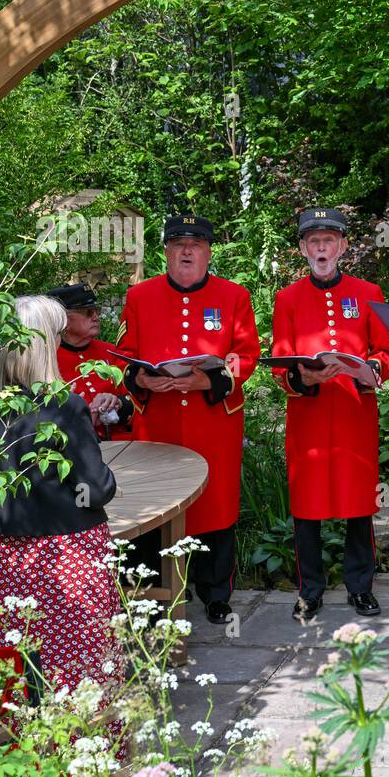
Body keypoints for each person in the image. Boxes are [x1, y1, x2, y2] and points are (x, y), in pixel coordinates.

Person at [0, 296, 121, 720]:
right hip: (68, 557)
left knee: (11, 663)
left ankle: (13, 766)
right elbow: (95, 487)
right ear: (43, 344)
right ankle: (81, 760)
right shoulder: (62, 405)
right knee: (76, 667)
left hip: (7, 555)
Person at [117, 215, 260, 625]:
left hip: (212, 421)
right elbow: (126, 352)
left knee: (215, 506)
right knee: (154, 507)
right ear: (165, 251)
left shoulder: (234, 296)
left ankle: (216, 594)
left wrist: (207, 380)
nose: (186, 251)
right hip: (157, 422)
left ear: (208, 251)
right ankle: (152, 595)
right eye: (178, 243)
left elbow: (244, 355)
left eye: (195, 244)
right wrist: (140, 378)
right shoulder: (139, 295)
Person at [271, 207, 389, 625]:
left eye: (329, 240)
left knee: (360, 505)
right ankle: (310, 591)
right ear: (303, 248)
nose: (321, 247)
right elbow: (279, 364)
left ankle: (361, 588)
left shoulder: (369, 291)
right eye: (313, 241)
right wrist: (302, 375)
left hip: (353, 415)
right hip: (308, 417)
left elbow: (386, 355)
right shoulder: (287, 298)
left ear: (343, 246)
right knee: (306, 507)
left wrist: (369, 369)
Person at [46, 283, 135, 440]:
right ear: (62, 318)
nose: (95, 316)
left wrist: (118, 403)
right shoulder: (45, 359)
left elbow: (136, 399)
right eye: (87, 312)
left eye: (96, 310)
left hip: (120, 445)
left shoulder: (111, 352)